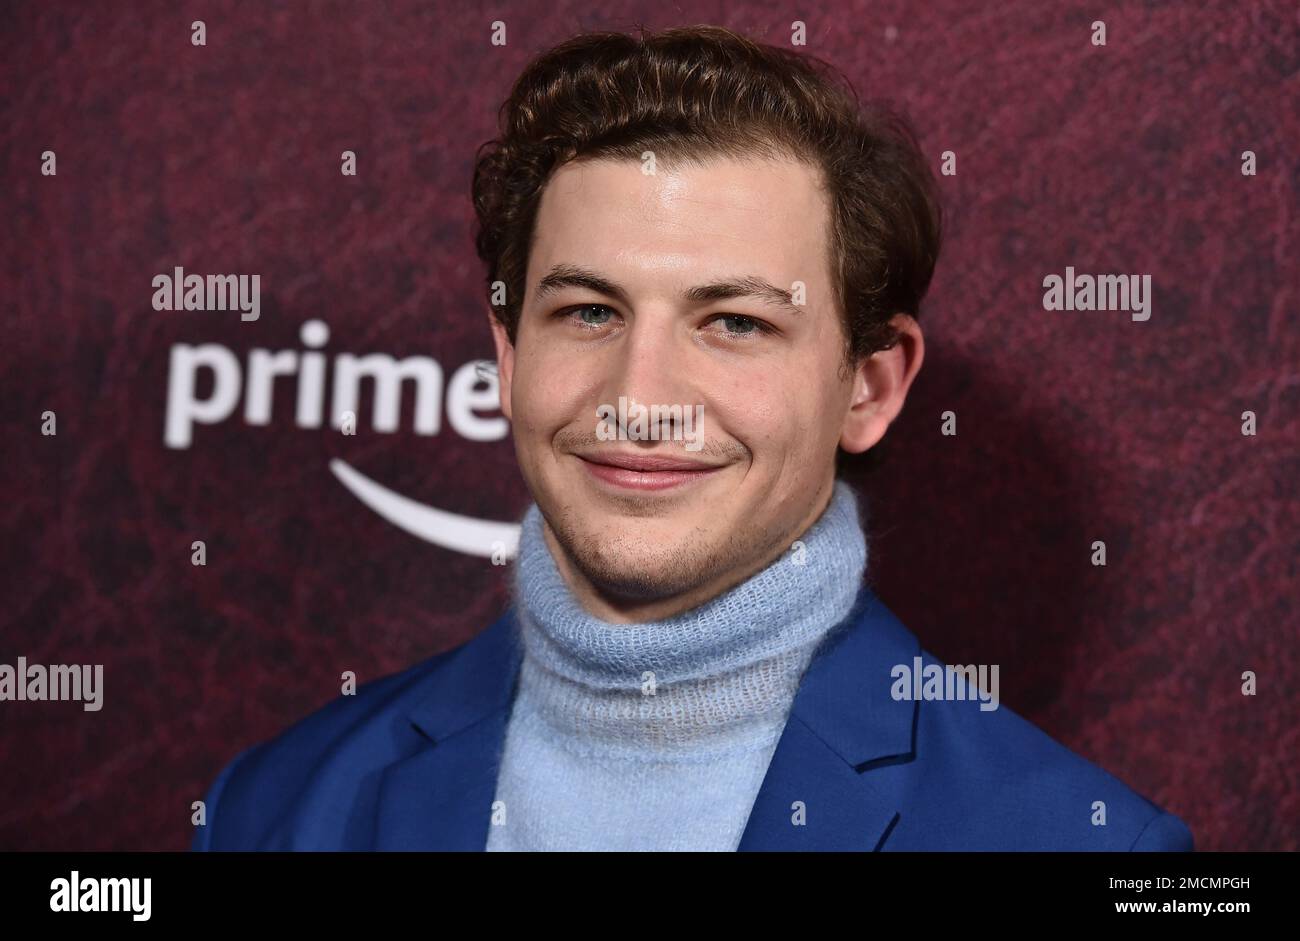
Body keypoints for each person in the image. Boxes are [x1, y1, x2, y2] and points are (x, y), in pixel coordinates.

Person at [193, 24, 1193, 851]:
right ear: (505, 352)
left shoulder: (1082, 842)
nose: (642, 396)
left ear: (870, 383)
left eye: (736, 323)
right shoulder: (273, 808)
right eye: (588, 311)